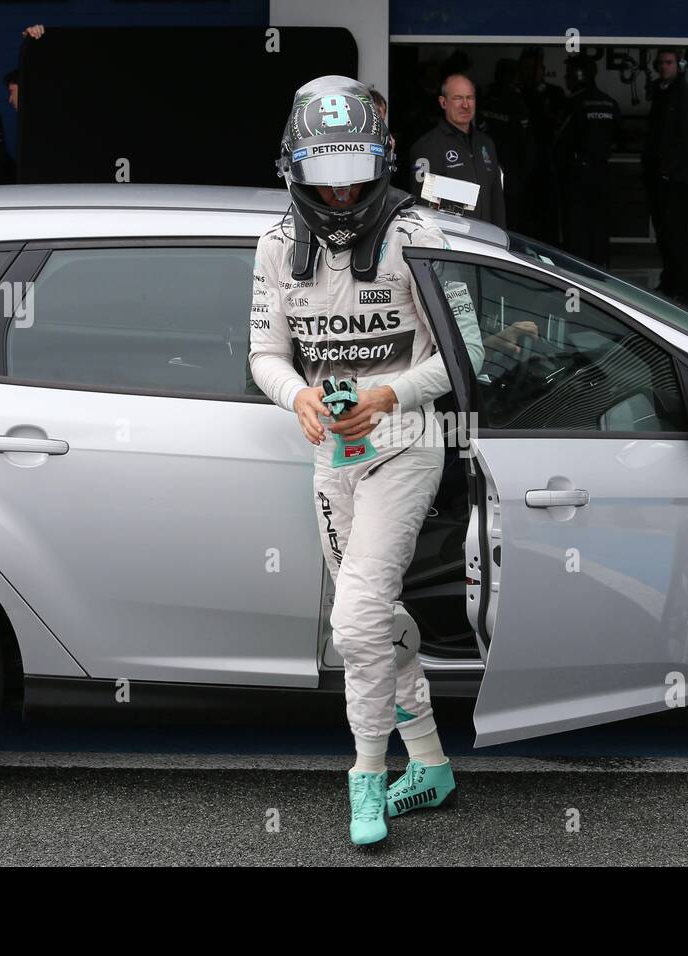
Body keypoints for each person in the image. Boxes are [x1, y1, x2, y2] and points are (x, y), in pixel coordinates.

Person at [249, 76, 484, 846]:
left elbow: (465, 356)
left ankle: (366, 779)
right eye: (326, 175)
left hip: (406, 448)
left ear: (379, 162)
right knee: (376, 618)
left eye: (354, 172)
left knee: (353, 621)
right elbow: (264, 353)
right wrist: (297, 398)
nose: (342, 192)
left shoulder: (421, 235)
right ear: (296, 169)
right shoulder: (278, 244)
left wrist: (388, 396)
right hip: (331, 457)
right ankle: (431, 764)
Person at [643, 48, 688, 303]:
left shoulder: (687, 96)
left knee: (678, 234)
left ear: (679, 65)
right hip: (659, 177)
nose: (663, 67)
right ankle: (670, 283)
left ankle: (683, 288)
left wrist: (670, 171)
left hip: (676, 180)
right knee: (665, 233)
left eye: (668, 62)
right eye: (660, 63)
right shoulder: (661, 94)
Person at [408, 72, 506, 227]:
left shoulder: (486, 144)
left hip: (488, 242)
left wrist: (502, 239)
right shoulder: (427, 146)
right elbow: (423, 204)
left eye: (470, 98)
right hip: (453, 244)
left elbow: (497, 202)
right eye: (458, 98)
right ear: (443, 102)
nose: (465, 105)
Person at [554, 53, 618, 266]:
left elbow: (558, 141)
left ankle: (578, 277)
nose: (565, 79)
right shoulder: (610, 103)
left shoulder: (573, 104)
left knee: (577, 231)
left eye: (568, 74)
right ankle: (602, 275)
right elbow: (618, 138)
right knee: (600, 229)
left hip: (577, 176)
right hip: (604, 174)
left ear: (579, 75)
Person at [518, 47, 567, 243]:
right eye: (528, 68)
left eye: (535, 68)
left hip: (548, 163)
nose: (532, 72)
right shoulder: (516, 93)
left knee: (548, 216)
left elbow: (561, 125)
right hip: (521, 165)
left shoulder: (555, 93)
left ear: (543, 70)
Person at [481, 59, 532, 232]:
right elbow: (525, 141)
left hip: (489, 164)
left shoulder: (485, 96)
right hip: (507, 167)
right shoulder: (517, 100)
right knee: (508, 218)